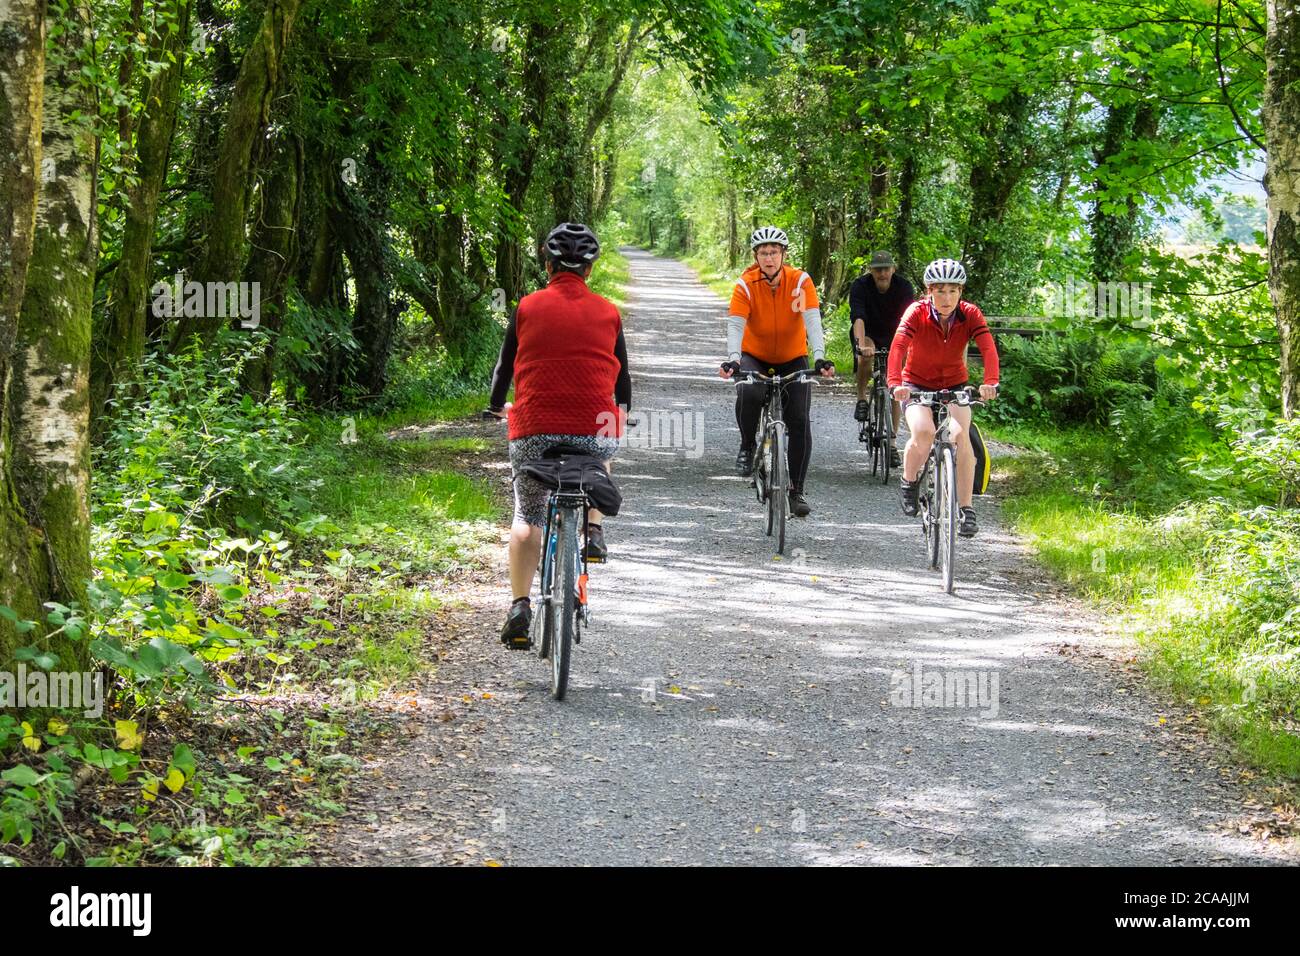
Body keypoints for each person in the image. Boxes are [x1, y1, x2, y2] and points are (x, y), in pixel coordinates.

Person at [485, 222, 632, 648]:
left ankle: (519, 606)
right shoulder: (608, 311)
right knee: (602, 451)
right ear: (589, 270)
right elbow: (622, 381)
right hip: (593, 428)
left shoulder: (527, 307)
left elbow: (504, 369)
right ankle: (593, 528)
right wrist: (622, 412)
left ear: (547, 265)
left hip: (532, 429)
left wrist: (497, 407)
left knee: (528, 515)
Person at [718, 226, 835, 518]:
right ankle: (747, 445)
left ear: (783, 254)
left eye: (773, 252)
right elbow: (735, 325)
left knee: (798, 418)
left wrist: (819, 357)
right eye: (763, 253)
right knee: (748, 388)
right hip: (754, 356)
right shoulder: (745, 285)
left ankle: (796, 491)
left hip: (793, 356)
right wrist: (734, 359)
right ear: (756, 256)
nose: (768, 258)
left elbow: (812, 322)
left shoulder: (801, 281)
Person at [886, 258, 999, 537]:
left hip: (955, 383)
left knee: (961, 436)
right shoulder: (916, 312)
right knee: (923, 432)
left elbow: (987, 348)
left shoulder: (970, 313)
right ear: (929, 291)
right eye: (939, 291)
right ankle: (909, 482)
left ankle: (966, 509)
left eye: (952, 291)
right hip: (915, 383)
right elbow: (898, 347)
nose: (946, 298)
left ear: (961, 292)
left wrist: (990, 382)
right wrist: (895, 383)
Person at [848, 251, 914, 468]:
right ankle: (861, 397)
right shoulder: (860, 286)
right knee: (866, 355)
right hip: (868, 331)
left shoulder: (904, 288)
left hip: (897, 333)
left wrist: (910, 349)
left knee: (896, 385)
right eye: (878, 269)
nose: (882, 273)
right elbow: (858, 317)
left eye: (886, 268)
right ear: (871, 270)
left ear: (893, 269)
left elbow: (911, 321)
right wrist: (861, 346)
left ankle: (892, 443)